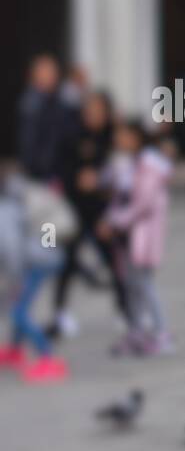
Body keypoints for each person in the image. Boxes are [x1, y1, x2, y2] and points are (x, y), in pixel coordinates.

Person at [48, 90, 130, 338]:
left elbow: (123, 166)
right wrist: (76, 179)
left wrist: (101, 183)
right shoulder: (72, 134)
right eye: (90, 110)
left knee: (114, 260)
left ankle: (125, 311)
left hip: (101, 211)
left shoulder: (111, 136)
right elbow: (59, 168)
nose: (93, 115)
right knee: (67, 262)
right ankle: (60, 314)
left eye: (99, 111)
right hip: (75, 211)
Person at [101, 121, 174, 357]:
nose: (118, 139)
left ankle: (161, 333)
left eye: (123, 134)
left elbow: (143, 203)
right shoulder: (128, 162)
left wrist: (115, 221)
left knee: (144, 284)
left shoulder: (149, 164)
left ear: (135, 137)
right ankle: (137, 332)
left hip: (141, 234)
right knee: (131, 284)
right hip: (127, 235)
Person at [0, 159, 74, 382]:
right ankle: (14, 350)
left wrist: (15, 278)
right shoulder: (24, 190)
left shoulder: (6, 207)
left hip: (37, 261)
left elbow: (11, 248)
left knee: (17, 311)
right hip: (46, 254)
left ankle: (48, 358)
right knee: (17, 307)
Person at [15, 54, 73, 183]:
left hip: (55, 173)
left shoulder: (59, 101)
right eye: (48, 72)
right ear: (35, 75)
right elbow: (30, 145)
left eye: (54, 72)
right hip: (40, 175)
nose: (53, 76)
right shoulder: (32, 104)